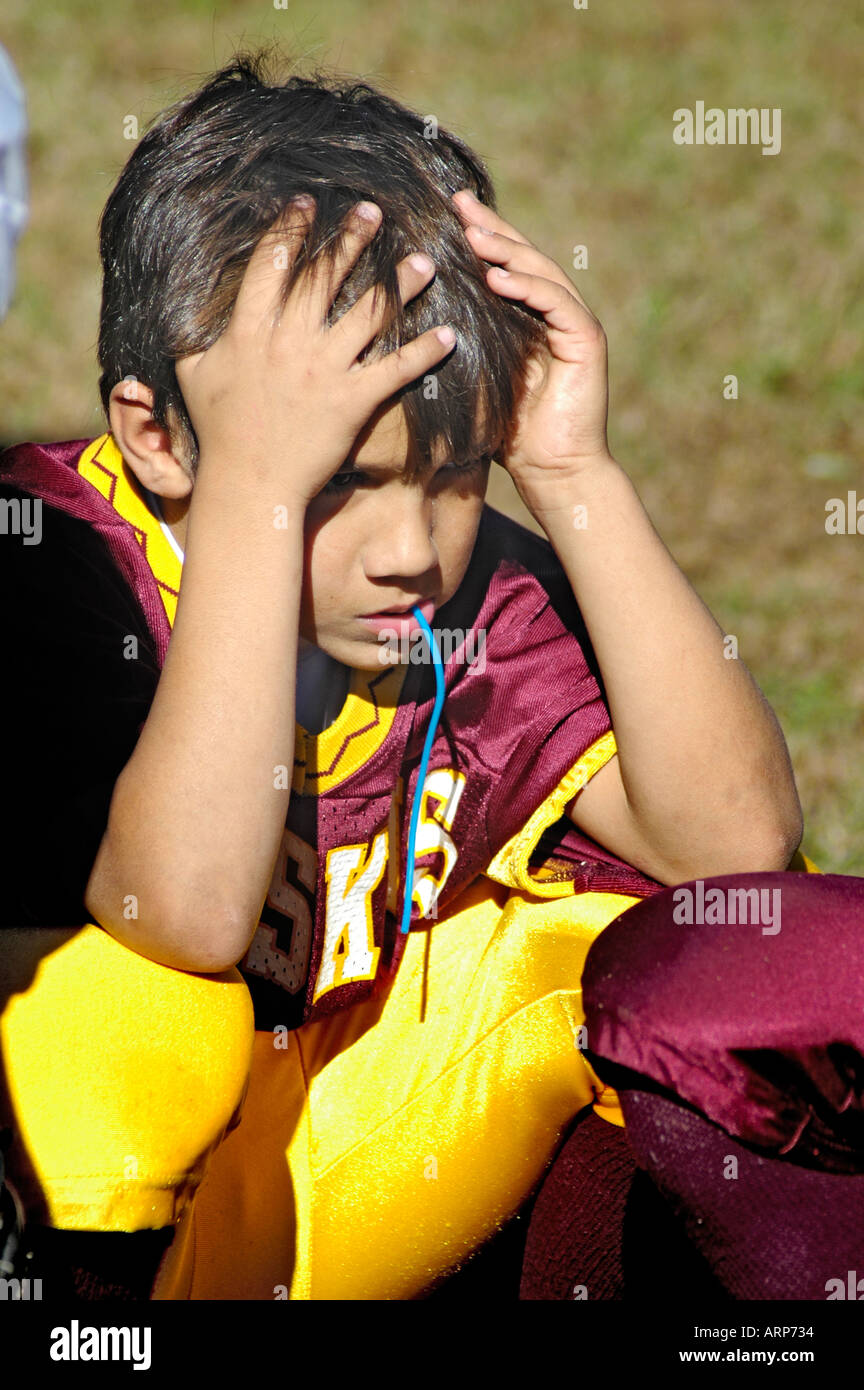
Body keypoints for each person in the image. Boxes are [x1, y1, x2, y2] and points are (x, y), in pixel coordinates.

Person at [0, 51, 804, 1301]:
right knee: (136, 1020)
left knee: (715, 966)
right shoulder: (57, 560)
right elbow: (189, 914)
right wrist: (263, 498)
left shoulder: (465, 586)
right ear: (156, 435)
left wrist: (572, 473)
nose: (412, 550)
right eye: (342, 481)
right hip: (106, 1218)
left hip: (331, 1186)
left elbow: (738, 855)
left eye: (455, 475)